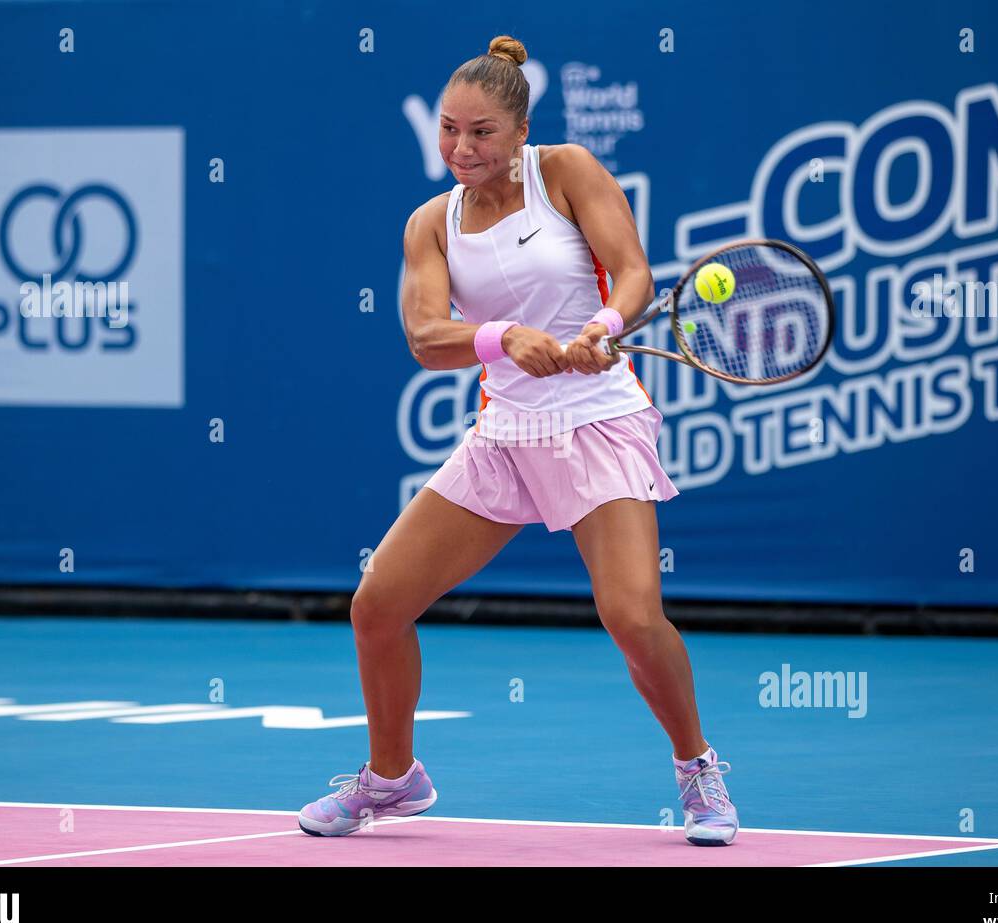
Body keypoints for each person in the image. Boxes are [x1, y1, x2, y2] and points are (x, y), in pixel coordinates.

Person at [298, 35, 738, 847]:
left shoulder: (566, 172)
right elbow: (427, 337)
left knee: (633, 617)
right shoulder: (430, 223)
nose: (461, 148)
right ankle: (393, 778)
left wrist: (604, 325)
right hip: (505, 432)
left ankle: (698, 768)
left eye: (482, 133)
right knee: (377, 606)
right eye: (449, 130)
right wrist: (504, 337)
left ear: (521, 131)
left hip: (598, 419)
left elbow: (634, 273)